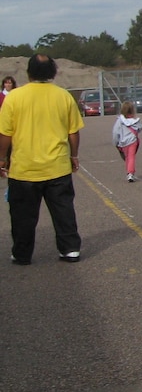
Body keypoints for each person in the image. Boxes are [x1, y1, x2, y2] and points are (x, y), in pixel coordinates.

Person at [0, 54, 84, 264]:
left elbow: (5, 134)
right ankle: (70, 248)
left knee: (22, 215)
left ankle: (22, 253)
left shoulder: (14, 97)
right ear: (53, 72)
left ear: (28, 72)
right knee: (63, 210)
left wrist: (2, 158)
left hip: (24, 168)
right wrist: (73, 155)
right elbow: (73, 132)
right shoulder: (63, 96)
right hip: (57, 167)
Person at [112, 101, 142, 182]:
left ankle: (129, 172)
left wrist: (115, 142)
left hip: (123, 142)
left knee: (127, 157)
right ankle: (130, 173)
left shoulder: (119, 121)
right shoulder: (135, 120)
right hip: (133, 140)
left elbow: (115, 132)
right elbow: (140, 127)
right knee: (131, 156)